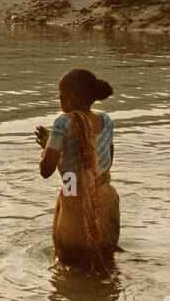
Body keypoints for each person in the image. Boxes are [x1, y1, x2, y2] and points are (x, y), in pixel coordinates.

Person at [34, 68, 120, 273]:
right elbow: (106, 161)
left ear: (70, 98)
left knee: (73, 267)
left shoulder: (63, 123)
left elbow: (46, 170)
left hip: (75, 196)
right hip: (105, 196)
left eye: (61, 94)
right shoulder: (106, 120)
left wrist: (48, 147)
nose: (58, 98)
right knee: (106, 260)